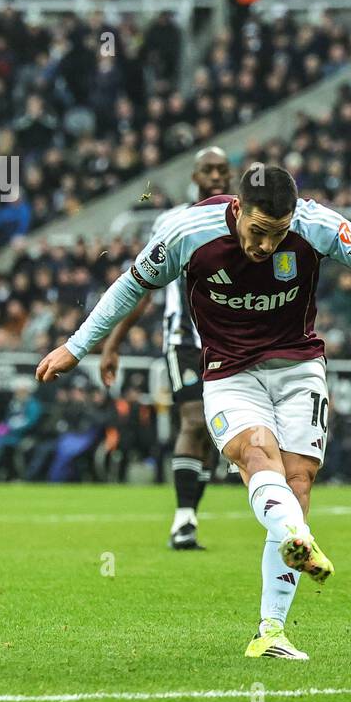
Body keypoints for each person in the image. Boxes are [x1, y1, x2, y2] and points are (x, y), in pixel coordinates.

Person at [37, 164, 351, 659]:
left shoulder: (316, 224)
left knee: (298, 483)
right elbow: (131, 286)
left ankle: (270, 631)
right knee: (256, 454)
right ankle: (296, 534)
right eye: (257, 232)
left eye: (277, 235)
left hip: (298, 368)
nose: (265, 247)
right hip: (229, 373)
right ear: (238, 210)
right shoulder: (188, 231)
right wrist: (76, 347)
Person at [99, 146, 231, 549]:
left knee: (214, 430)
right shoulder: (172, 222)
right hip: (184, 340)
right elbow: (144, 285)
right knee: (193, 420)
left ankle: (189, 514)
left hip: (231, 342)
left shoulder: (244, 218)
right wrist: (113, 344)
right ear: (194, 176)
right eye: (208, 169)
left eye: (222, 170)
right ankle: (183, 521)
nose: (215, 176)